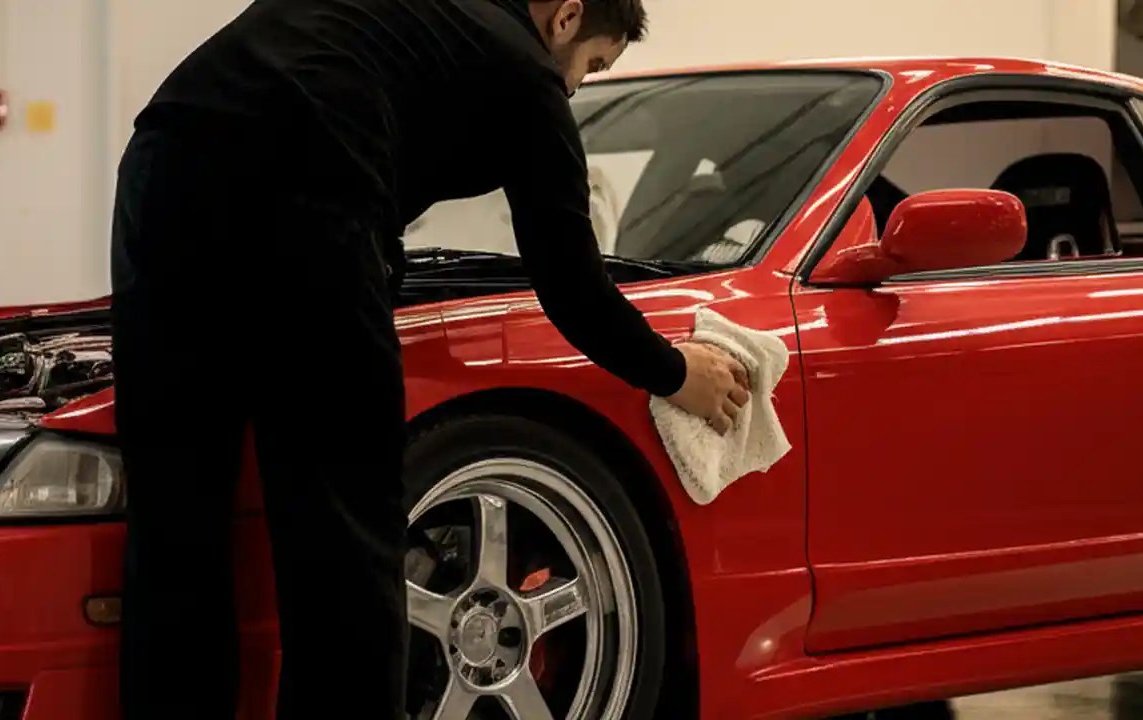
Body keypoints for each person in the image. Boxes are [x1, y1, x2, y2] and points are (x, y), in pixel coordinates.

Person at [107, 0, 750, 718]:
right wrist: (674, 371)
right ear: (566, 17)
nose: (576, 87)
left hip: (158, 174)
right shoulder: (524, 68)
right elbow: (571, 283)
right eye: (593, 65)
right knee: (342, 537)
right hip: (304, 197)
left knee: (174, 520)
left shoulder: (426, 24)